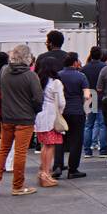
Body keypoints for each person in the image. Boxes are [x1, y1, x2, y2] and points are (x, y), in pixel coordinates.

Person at [52, 53, 90, 180]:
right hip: (77, 112)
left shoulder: (58, 75)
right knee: (76, 141)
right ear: (74, 63)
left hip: (61, 112)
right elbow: (87, 95)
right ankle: (72, 169)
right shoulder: (81, 76)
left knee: (59, 139)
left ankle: (57, 166)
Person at [34, 57, 67, 189]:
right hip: (51, 116)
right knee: (50, 146)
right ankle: (46, 175)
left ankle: (42, 171)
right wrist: (60, 113)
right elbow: (61, 102)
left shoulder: (38, 81)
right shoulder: (56, 82)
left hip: (40, 116)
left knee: (44, 146)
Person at [81, 47, 107, 159]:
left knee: (88, 125)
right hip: (101, 96)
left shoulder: (84, 68)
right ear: (101, 55)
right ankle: (103, 150)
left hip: (89, 96)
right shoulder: (104, 67)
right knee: (102, 125)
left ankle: (87, 151)